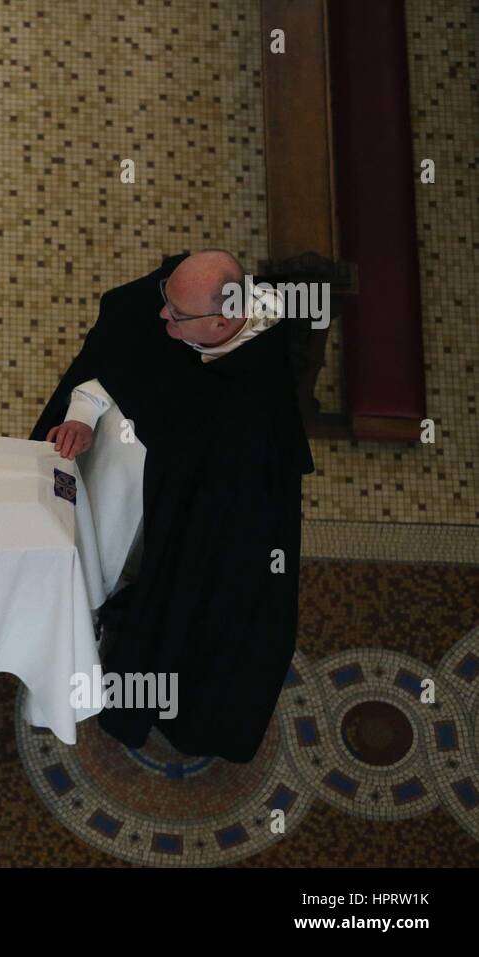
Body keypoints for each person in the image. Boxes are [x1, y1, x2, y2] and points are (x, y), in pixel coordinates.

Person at [31, 250, 315, 762]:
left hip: (163, 516)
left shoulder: (256, 398)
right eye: (167, 301)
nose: (162, 315)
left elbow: (226, 497)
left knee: (154, 586)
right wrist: (82, 412)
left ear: (225, 320)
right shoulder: (175, 298)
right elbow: (116, 354)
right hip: (108, 476)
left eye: (177, 315)